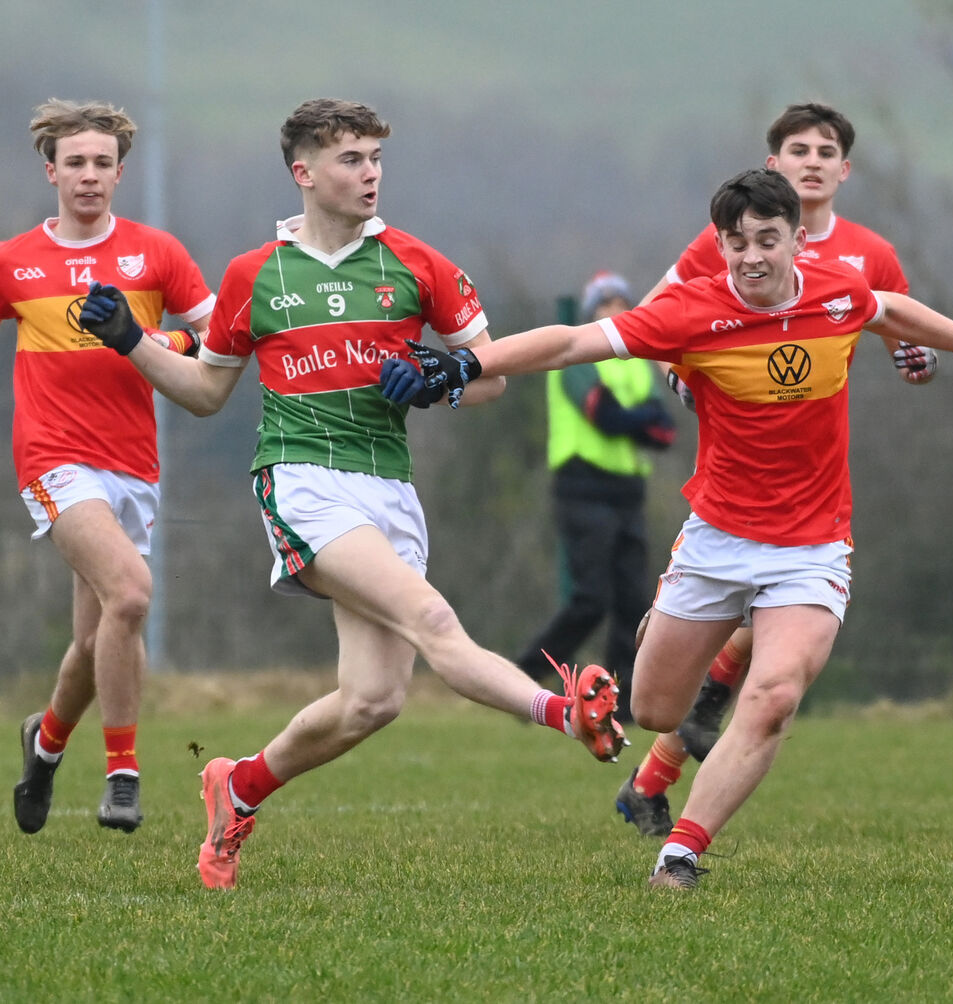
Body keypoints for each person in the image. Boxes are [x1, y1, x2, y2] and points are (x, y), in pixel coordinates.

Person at [406, 167, 953, 889]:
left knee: (774, 698)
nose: (751, 256)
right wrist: (465, 363)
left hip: (812, 546)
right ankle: (675, 625)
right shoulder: (689, 312)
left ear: (798, 241)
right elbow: (567, 344)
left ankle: (680, 853)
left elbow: (890, 309)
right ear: (720, 245)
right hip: (718, 541)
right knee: (654, 708)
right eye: (736, 242)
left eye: (767, 240)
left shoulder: (838, 291)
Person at [76, 98, 626, 889]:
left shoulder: (416, 263)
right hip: (301, 479)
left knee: (373, 700)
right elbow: (204, 392)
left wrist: (438, 380)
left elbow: (488, 378)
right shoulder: (255, 275)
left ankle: (238, 786)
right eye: (352, 160)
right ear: (304, 172)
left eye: (376, 159)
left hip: (388, 487)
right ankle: (564, 711)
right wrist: (130, 339)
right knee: (432, 618)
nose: (371, 174)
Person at [618, 101, 935, 837]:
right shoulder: (732, 239)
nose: (811, 161)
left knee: (773, 651)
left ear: (844, 170)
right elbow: (655, 318)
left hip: (816, 468)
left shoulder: (871, 255)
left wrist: (917, 362)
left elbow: (903, 335)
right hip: (738, 463)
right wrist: (677, 371)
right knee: (738, 639)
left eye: (826, 151)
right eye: (798, 149)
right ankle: (661, 757)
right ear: (774, 164)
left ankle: (658, 785)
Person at [2, 99, 214, 835]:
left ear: (120, 173)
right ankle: (123, 773)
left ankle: (44, 745)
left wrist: (148, 338)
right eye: (75, 163)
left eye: (102, 163)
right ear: (51, 172)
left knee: (97, 641)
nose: (88, 175)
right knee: (130, 593)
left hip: (133, 465)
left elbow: (218, 338)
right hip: (53, 458)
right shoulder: (16, 260)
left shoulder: (156, 253)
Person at [514, 271, 675, 719]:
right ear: (591, 313)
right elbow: (604, 416)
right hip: (583, 486)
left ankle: (619, 703)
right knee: (590, 600)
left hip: (629, 491)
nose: (616, 311)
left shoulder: (637, 362)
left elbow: (665, 432)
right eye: (606, 304)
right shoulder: (577, 358)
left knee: (633, 603)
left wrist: (631, 419)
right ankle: (521, 678)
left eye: (622, 302)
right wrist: (637, 419)